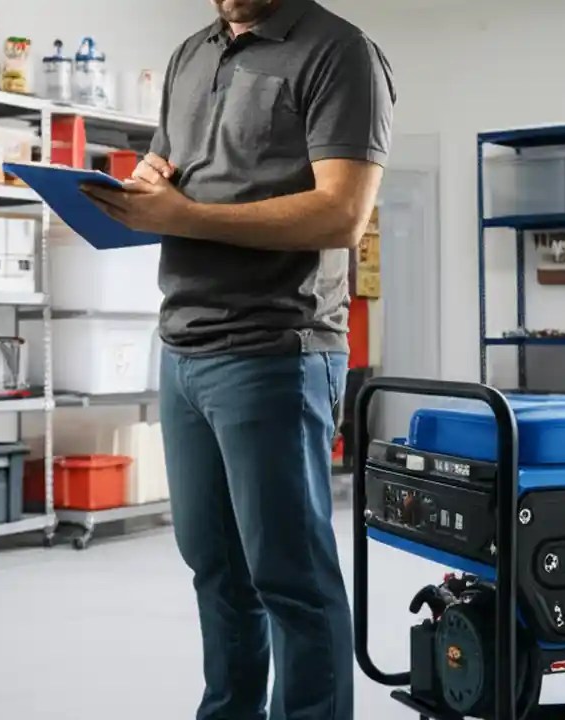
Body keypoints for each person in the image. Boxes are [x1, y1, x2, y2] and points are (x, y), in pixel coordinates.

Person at [82, 1, 395, 718]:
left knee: (290, 577)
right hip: (184, 346)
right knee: (216, 570)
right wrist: (140, 191)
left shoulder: (339, 52)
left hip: (275, 348)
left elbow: (342, 214)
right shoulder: (191, 54)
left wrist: (184, 216)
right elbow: (172, 177)